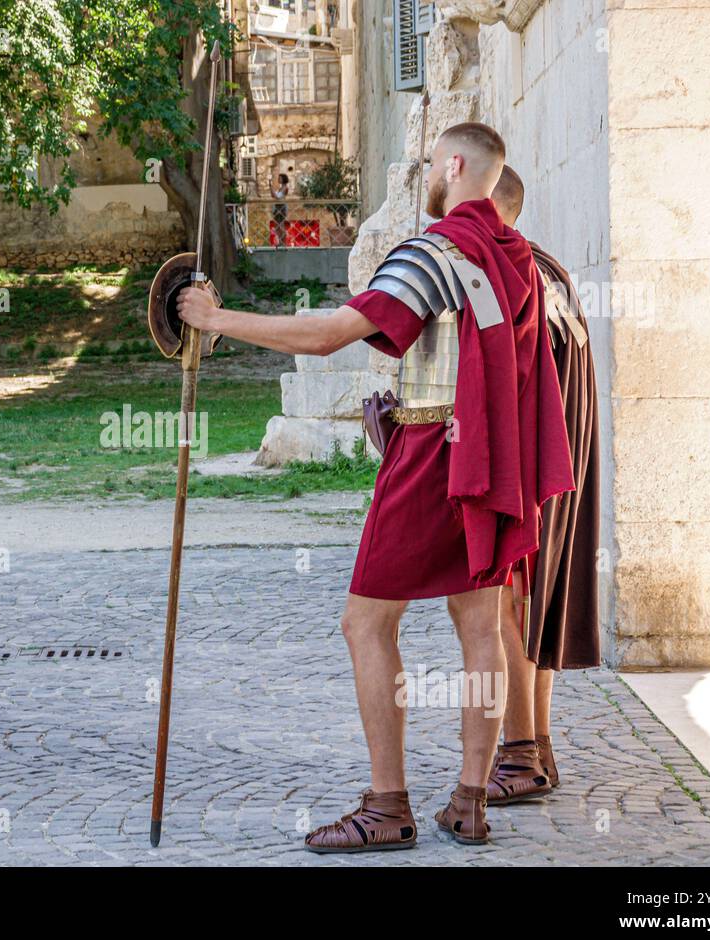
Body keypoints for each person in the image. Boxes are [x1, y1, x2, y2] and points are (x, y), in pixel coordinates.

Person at [176, 123, 573, 850]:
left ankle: (387, 806)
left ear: (453, 166)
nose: (427, 172)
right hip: (491, 463)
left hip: (431, 455)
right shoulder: (519, 257)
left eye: (430, 162)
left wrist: (217, 320)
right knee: (481, 626)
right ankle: (470, 798)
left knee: (366, 623)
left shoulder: (435, 250)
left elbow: (332, 334)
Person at [485, 165, 600, 803]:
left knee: (511, 599)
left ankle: (520, 757)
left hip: (534, 459)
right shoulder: (548, 267)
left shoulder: (511, 270)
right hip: (564, 455)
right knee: (537, 596)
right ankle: (539, 749)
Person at [271, 172, 290, 247]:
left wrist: (272, 189)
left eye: (280, 178)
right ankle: (280, 242)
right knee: (277, 226)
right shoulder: (280, 188)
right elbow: (273, 195)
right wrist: (271, 187)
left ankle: (284, 242)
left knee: (281, 225)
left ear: (283, 179)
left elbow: (278, 197)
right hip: (277, 206)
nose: (278, 179)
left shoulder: (285, 188)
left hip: (281, 207)